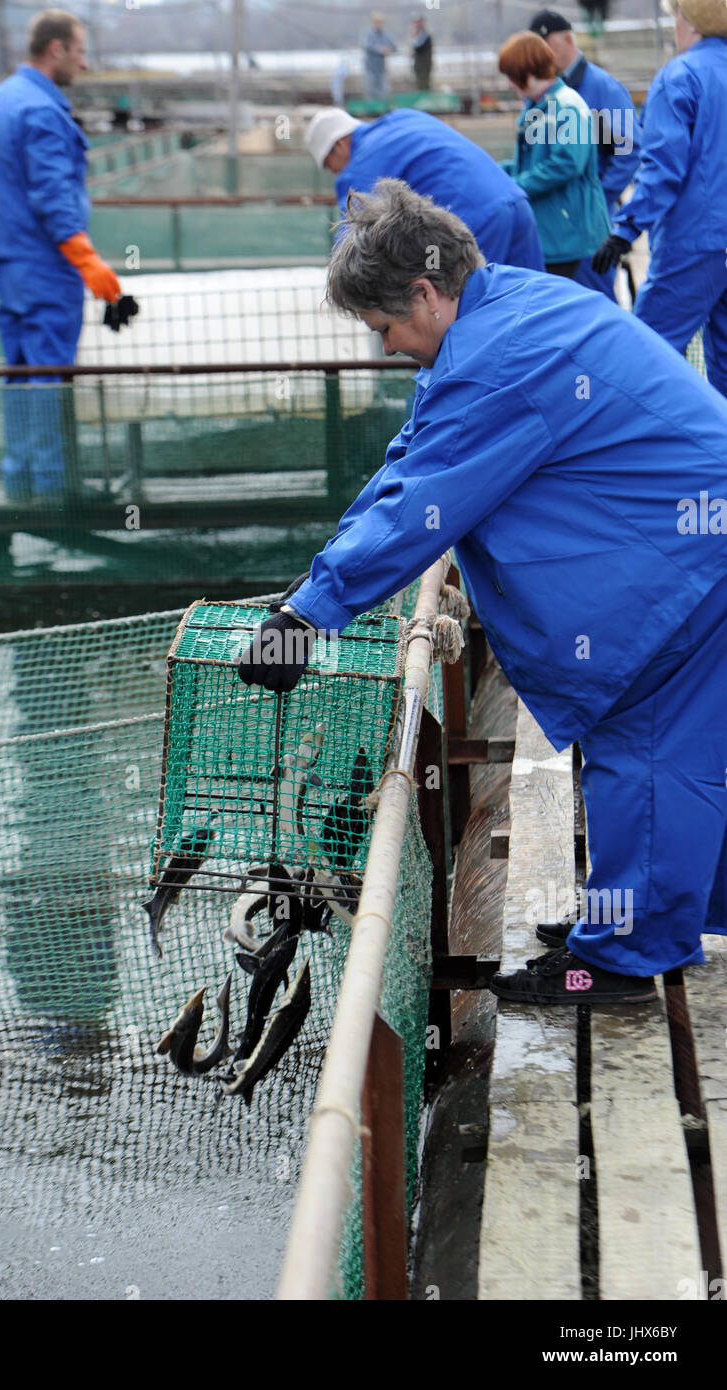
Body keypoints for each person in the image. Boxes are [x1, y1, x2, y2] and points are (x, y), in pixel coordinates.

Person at [237, 178, 727, 1006]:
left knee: (642, 748)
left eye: (384, 326)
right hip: (693, 544)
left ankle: (624, 960)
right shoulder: (509, 307)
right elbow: (411, 460)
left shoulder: (502, 359)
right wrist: (306, 590)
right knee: (673, 752)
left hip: (687, 566)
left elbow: (427, 505)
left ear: (424, 292)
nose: (386, 346)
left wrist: (308, 621)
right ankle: (645, 924)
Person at [0, 9, 123, 502]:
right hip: (43, 263)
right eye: (80, 51)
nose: (83, 63)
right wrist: (89, 262)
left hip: (7, 262)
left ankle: (19, 483)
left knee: (18, 375)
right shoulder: (40, 111)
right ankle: (54, 492)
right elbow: (52, 195)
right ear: (56, 49)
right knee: (50, 378)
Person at [593, 0, 727, 398]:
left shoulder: (681, 76)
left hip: (695, 245)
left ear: (686, 20)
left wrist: (624, 229)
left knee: (645, 356)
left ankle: (639, 456)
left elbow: (662, 169)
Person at [304, 106, 545, 272]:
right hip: (516, 202)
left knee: (474, 318)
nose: (335, 173)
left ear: (338, 145)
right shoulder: (404, 118)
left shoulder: (359, 164)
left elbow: (350, 243)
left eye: (329, 165)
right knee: (533, 308)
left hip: (476, 222)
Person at [529, 9, 641, 300]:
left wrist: (597, 197)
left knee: (594, 302)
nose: (542, 55)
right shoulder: (543, 95)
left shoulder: (603, 89)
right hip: (555, 227)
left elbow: (628, 151)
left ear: (568, 39)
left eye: (547, 46)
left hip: (591, 225)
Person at [498, 30, 611, 277]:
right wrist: (496, 172)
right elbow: (529, 162)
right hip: (552, 234)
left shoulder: (567, 105)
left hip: (568, 235)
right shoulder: (540, 105)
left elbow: (567, 163)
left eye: (511, 75)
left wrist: (516, 187)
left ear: (525, 72)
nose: (509, 84)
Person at [362, 12, 396, 103]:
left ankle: (382, 106)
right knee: (370, 88)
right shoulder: (368, 34)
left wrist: (389, 50)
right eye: (377, 22)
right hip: (370, 66)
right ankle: (371, 107)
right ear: (373, 23)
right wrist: (380, 49)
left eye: (380, 22)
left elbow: (394, 46)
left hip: (381, 67)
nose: (379, 24)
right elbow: (367, 45)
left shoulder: (385, 35)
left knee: (383, 88)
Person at [410, 16, 434, 90]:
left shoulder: (424, 34)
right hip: (420, 64)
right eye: (415, 23)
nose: (416, 24)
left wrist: (414, 38)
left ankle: (425, 99)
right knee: (420, 83)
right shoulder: (420, 33)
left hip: (424, 65)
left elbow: (418, 47)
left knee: (423, 84)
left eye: (418, 22)